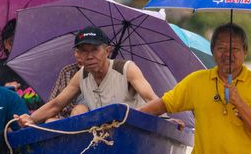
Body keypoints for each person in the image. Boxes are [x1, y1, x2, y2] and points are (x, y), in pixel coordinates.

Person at [139, 23, 251, 154]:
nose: (227, 54)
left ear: (245, 52)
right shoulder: (196, 81)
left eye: (234, 49)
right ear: (212, 51)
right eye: (221, 48)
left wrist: (240, 103)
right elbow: (162, 105)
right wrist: (123, 117)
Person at [17, 26, 158, 126]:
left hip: (133, 130)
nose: (89, 56)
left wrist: (166, 120)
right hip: (104, 135)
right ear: (77, 54)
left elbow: (151, 99)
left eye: (95, 50)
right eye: (84, 51)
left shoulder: (127, 69)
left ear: (107, 51)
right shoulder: (81, 76)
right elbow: (56, 104)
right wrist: (31, 119)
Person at [0, 18, 44, 111]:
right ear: (6, 44)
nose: (18, 46)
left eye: (23, 41)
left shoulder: (42, 68)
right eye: (12, 41)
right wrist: (3, 92)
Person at [47, 49, 87, 118]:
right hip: (70, 118)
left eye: (84, 51)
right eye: (77, 51)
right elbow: (53, 105)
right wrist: (31, 119)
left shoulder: (110, 69)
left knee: (80, 110)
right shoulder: (68, 72)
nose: (78, 56)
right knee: (50, 120)